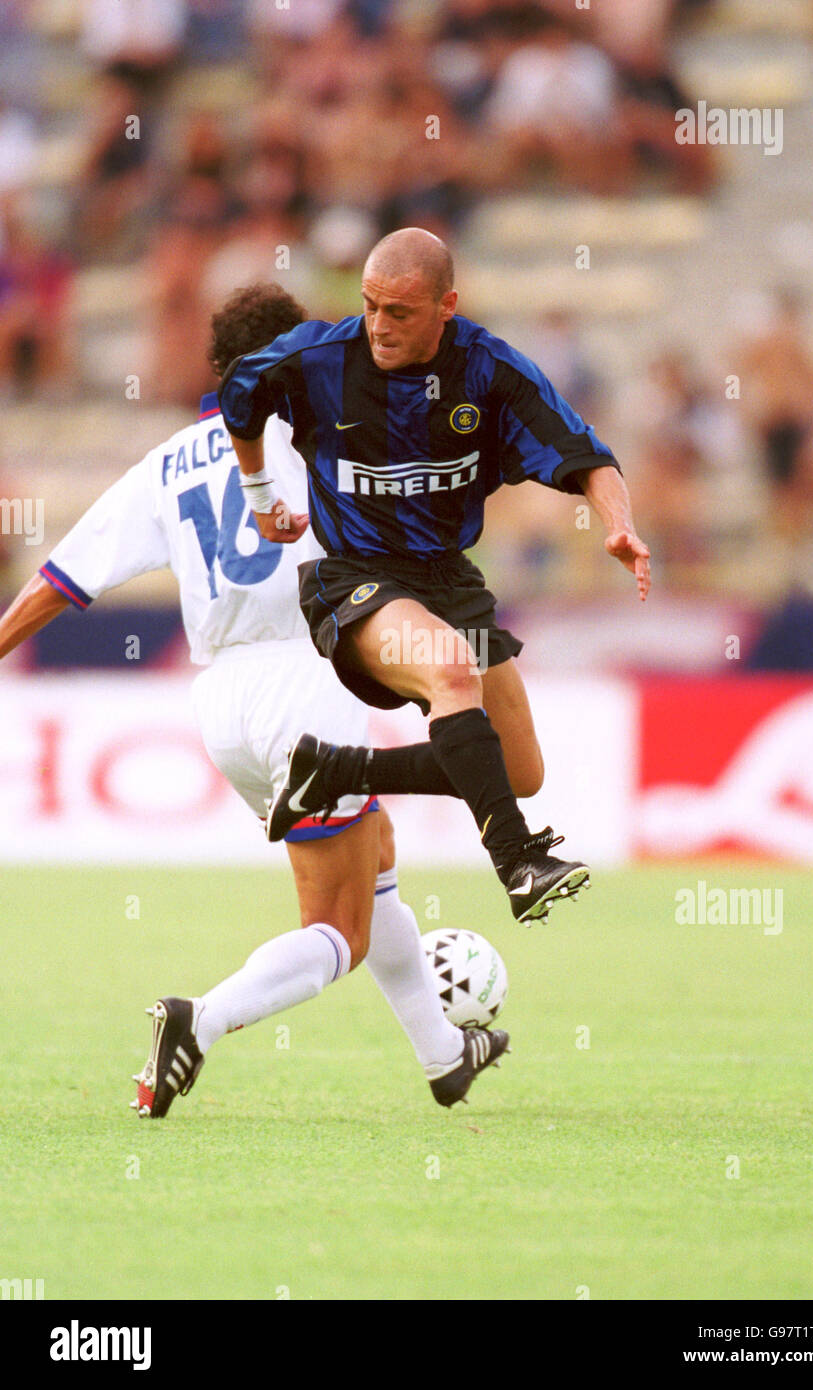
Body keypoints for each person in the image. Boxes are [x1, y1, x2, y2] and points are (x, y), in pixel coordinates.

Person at [0, 283, 508, 1116]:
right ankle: (200, 1019)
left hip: (222, 700)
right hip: (306, 680)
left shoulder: (165, 462)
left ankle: (445, 1055)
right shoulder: (327, 435)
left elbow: (61, 580)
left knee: (372, 856)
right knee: (337, 928)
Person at [218, 229, 650, 924]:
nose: (379, 327)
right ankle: (518, 862)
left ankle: (333, 771)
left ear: (447, 305)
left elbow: (586, 454)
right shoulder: (321, 358)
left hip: (449, 581)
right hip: (355, 579)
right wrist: (260, 491)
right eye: (370, 306)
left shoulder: (489, 374)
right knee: (451, 670)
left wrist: (617, 523)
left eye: (400, 313)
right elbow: (239, 388)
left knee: (515, 771)